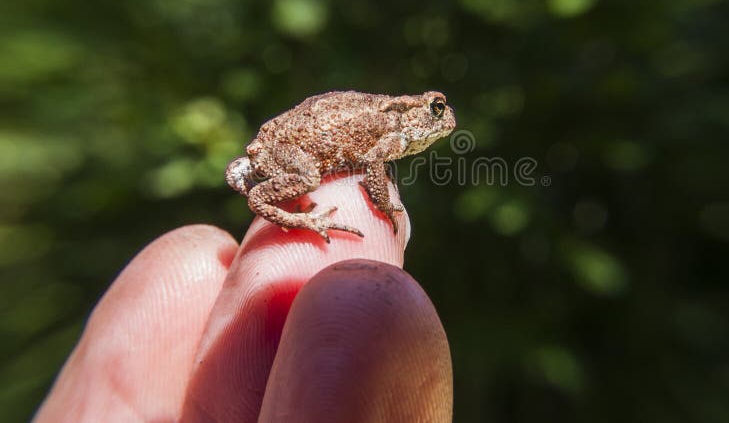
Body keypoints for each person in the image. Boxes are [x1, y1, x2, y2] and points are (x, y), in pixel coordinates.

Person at [35, 174, 453, 422]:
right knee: (308, 183)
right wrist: (386, 210)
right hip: (297, 146)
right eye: (436, 110)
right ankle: (298, 218)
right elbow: (373, 175)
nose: (443, 118)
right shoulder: (391, 131)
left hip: (303, 138)